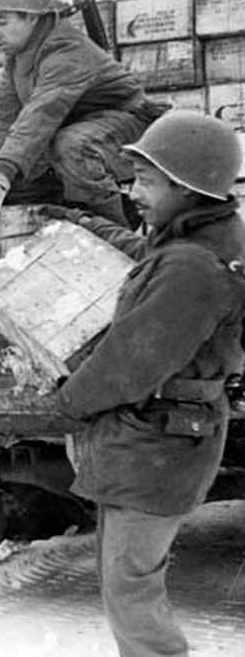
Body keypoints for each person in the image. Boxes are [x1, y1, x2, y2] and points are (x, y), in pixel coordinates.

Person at [47, 111, 245, 656]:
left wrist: (70, 401)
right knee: (128, 584)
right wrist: (85, 224)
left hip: (158, 443)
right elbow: (147, 258)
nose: (134, 193)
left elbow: (131, 361)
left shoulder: (192, 268)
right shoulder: (197, 241)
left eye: (147, 181)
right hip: (158, 439)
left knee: (131, 591)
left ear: (189, 188)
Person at [0, 0, 168, 229]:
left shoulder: (66, 49)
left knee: (70, 147)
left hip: (130, 126)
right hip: (79, 129)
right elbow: (3, 120)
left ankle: (117, 236)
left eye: (2, 22)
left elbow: (42, 113)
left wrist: (0, 172)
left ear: (32, 18)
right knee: (26, 175)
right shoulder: (18, 58)